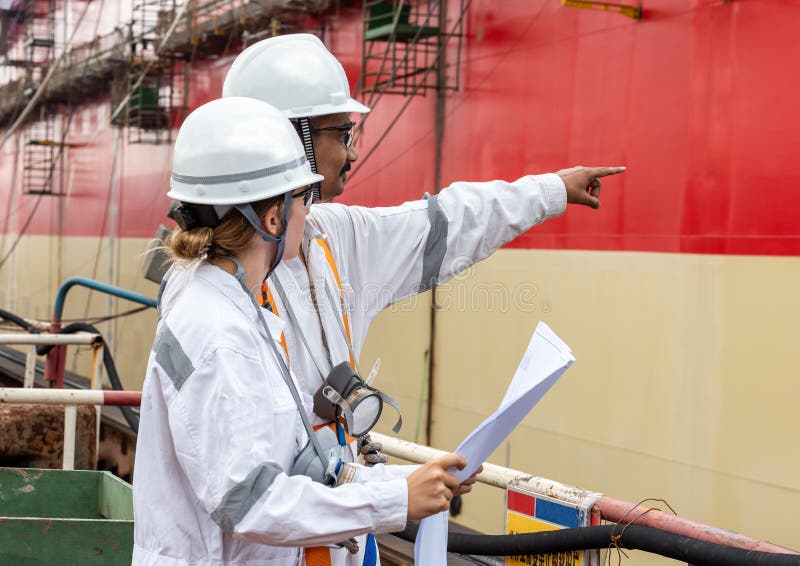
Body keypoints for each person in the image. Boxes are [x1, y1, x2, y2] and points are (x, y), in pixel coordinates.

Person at [222, 34, 623, 565]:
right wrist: (394, 493)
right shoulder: (219, 306)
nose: (353, 151)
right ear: (291, 140)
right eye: (342, 133)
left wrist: (550, 191)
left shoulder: (332, 242)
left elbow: (444, 223)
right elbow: (248, 496)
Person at [133, 96, 480, 565]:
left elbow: (299, 469)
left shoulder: (239, 310)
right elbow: (253, 504)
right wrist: (396, 501)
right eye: (304, 198)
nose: (310, 213)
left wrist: (412, 482)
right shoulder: (218, 336)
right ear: (272, 216)